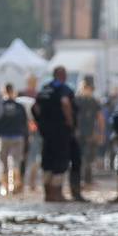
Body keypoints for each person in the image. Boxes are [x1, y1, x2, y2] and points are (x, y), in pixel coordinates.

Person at [33, 65, 78, 202]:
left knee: (47, 162)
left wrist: (41, 122)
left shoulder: (45, 88)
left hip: (46, 132)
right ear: (62, 75)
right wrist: (70, 122)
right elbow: (65, 103)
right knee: (61, 161)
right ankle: (57, 194)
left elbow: (35, 107)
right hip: (60, 131)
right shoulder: (63, 88)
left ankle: (47, 194)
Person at [0, 83, 30, 196]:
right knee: (16, 163)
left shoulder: (0, 106)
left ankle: (4, 186)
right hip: (18, 137)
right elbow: (25, 123)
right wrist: (26, 138)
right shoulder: (19, 106)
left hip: (3, 137)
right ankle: (14, 185)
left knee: (3, 163)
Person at [74, 76, 103, 200]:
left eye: (89, 88)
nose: (87, 90)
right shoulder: (77, 100)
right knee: (79, 159)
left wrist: (100, 133)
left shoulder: (94, 101)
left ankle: (87, 181)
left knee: (88, 159)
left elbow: (100, 118)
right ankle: (79, 182)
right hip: (78, 134)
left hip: (90, 134)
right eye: (86, 87)